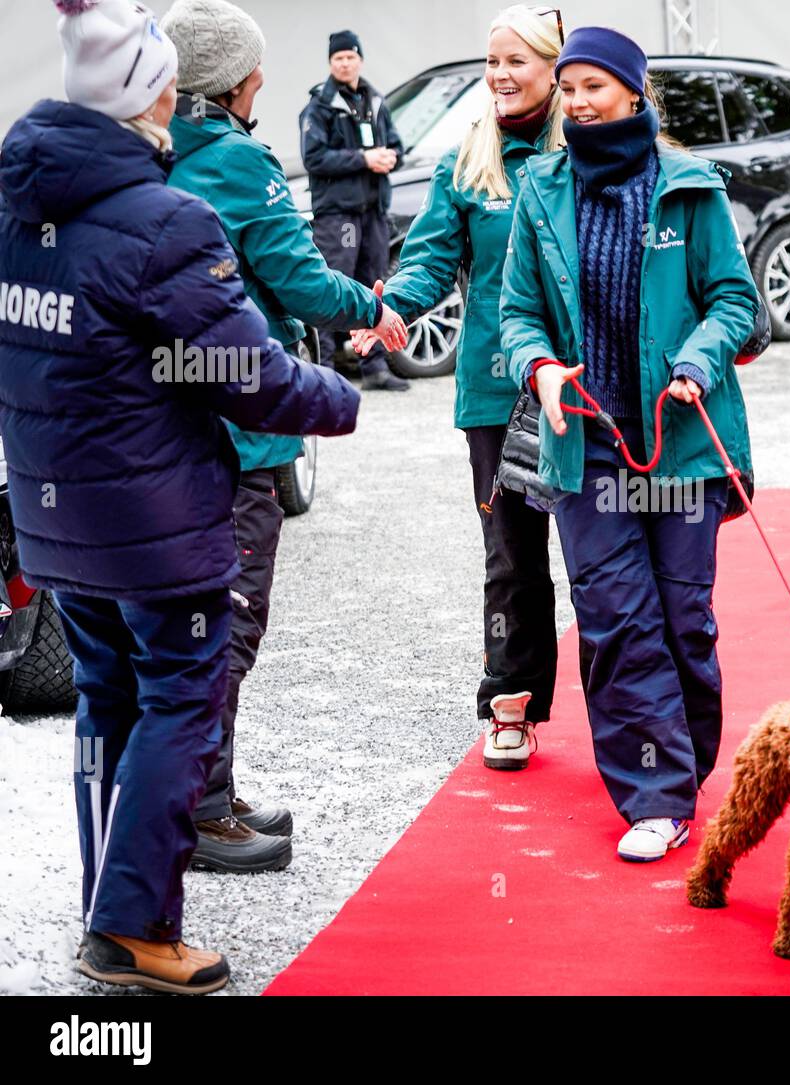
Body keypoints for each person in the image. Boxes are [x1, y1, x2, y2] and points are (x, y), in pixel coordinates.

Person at [0, 0, 360, 994]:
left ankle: (106, 906)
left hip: (56, 515)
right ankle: (130, 930)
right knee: (177, 709)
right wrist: (339, 398)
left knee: (105, 702)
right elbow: (249, 373)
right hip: (155, 523)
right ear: (148, 93)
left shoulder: (18, 206)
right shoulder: (163, 221)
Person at [498, 27, 760, 862]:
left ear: (635, 93)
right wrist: (537, 367)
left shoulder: (691, 188)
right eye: (568, 86)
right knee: (614, 618)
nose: (577, 101)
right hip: (585, 447)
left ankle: (684, 759)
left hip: (679, 444)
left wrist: (698, 359)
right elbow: (516, 313)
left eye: (594, 87)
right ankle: (655, 792)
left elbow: (737, 303)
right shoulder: (539, 190)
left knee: (684, 618)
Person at [161, 0, 407, 872]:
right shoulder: (234, 160)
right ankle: (203, 808)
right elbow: (299, 280)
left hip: (159, 429)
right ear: (228, 80)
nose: (264, 79)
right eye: (253, 69)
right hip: (239, 431)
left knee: (176, 621)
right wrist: (373, 308)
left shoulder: (144, 156)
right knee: (228, 619)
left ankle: (198, 791)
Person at [358, 5, 564, 771]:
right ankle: (510, 703)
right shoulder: (466, 163)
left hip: (581, 388)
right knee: (510, 555)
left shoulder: (583, 151)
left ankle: (626, 712)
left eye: (517, 60)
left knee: (604, 556)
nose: (502, 75)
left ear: (552, 65)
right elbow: (429, 258)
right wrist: (388, 310)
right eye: (493, 62)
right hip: (495, 390)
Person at [301, 29, 410, 391]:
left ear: (360, 59)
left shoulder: (375, 100)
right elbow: (313, 157)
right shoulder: (319, 106)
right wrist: (364, 158)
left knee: (373, 286)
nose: (345, 63)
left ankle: (374, 368)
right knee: (334, 287)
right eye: (338, 58)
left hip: (374, 212)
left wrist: (390, 157)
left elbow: (397, 146)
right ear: (330, 63)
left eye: (350, 57)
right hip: (338, 215)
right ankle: (325, 370)